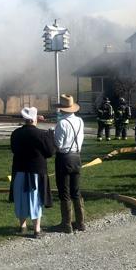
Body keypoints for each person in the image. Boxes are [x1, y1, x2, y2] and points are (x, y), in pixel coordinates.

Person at [9, 106, 56, 238]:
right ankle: (36, 229)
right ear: (35, 119)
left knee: (21, 198)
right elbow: (49, 152)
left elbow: (13, 149)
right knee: (36, 199)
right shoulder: (42, 134)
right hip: (36, 171)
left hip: (19, 170)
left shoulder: (16, 133)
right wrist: (51, 135)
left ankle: (22, 226)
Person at [53, 94, 86, 233]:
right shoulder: (80, 121)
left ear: (62, 109)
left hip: (64, 158)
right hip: (76, 157)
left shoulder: (62, 123)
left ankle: (66, 224)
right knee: (76, 191)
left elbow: (59, 144)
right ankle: (80, 222)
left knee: (65, 192)